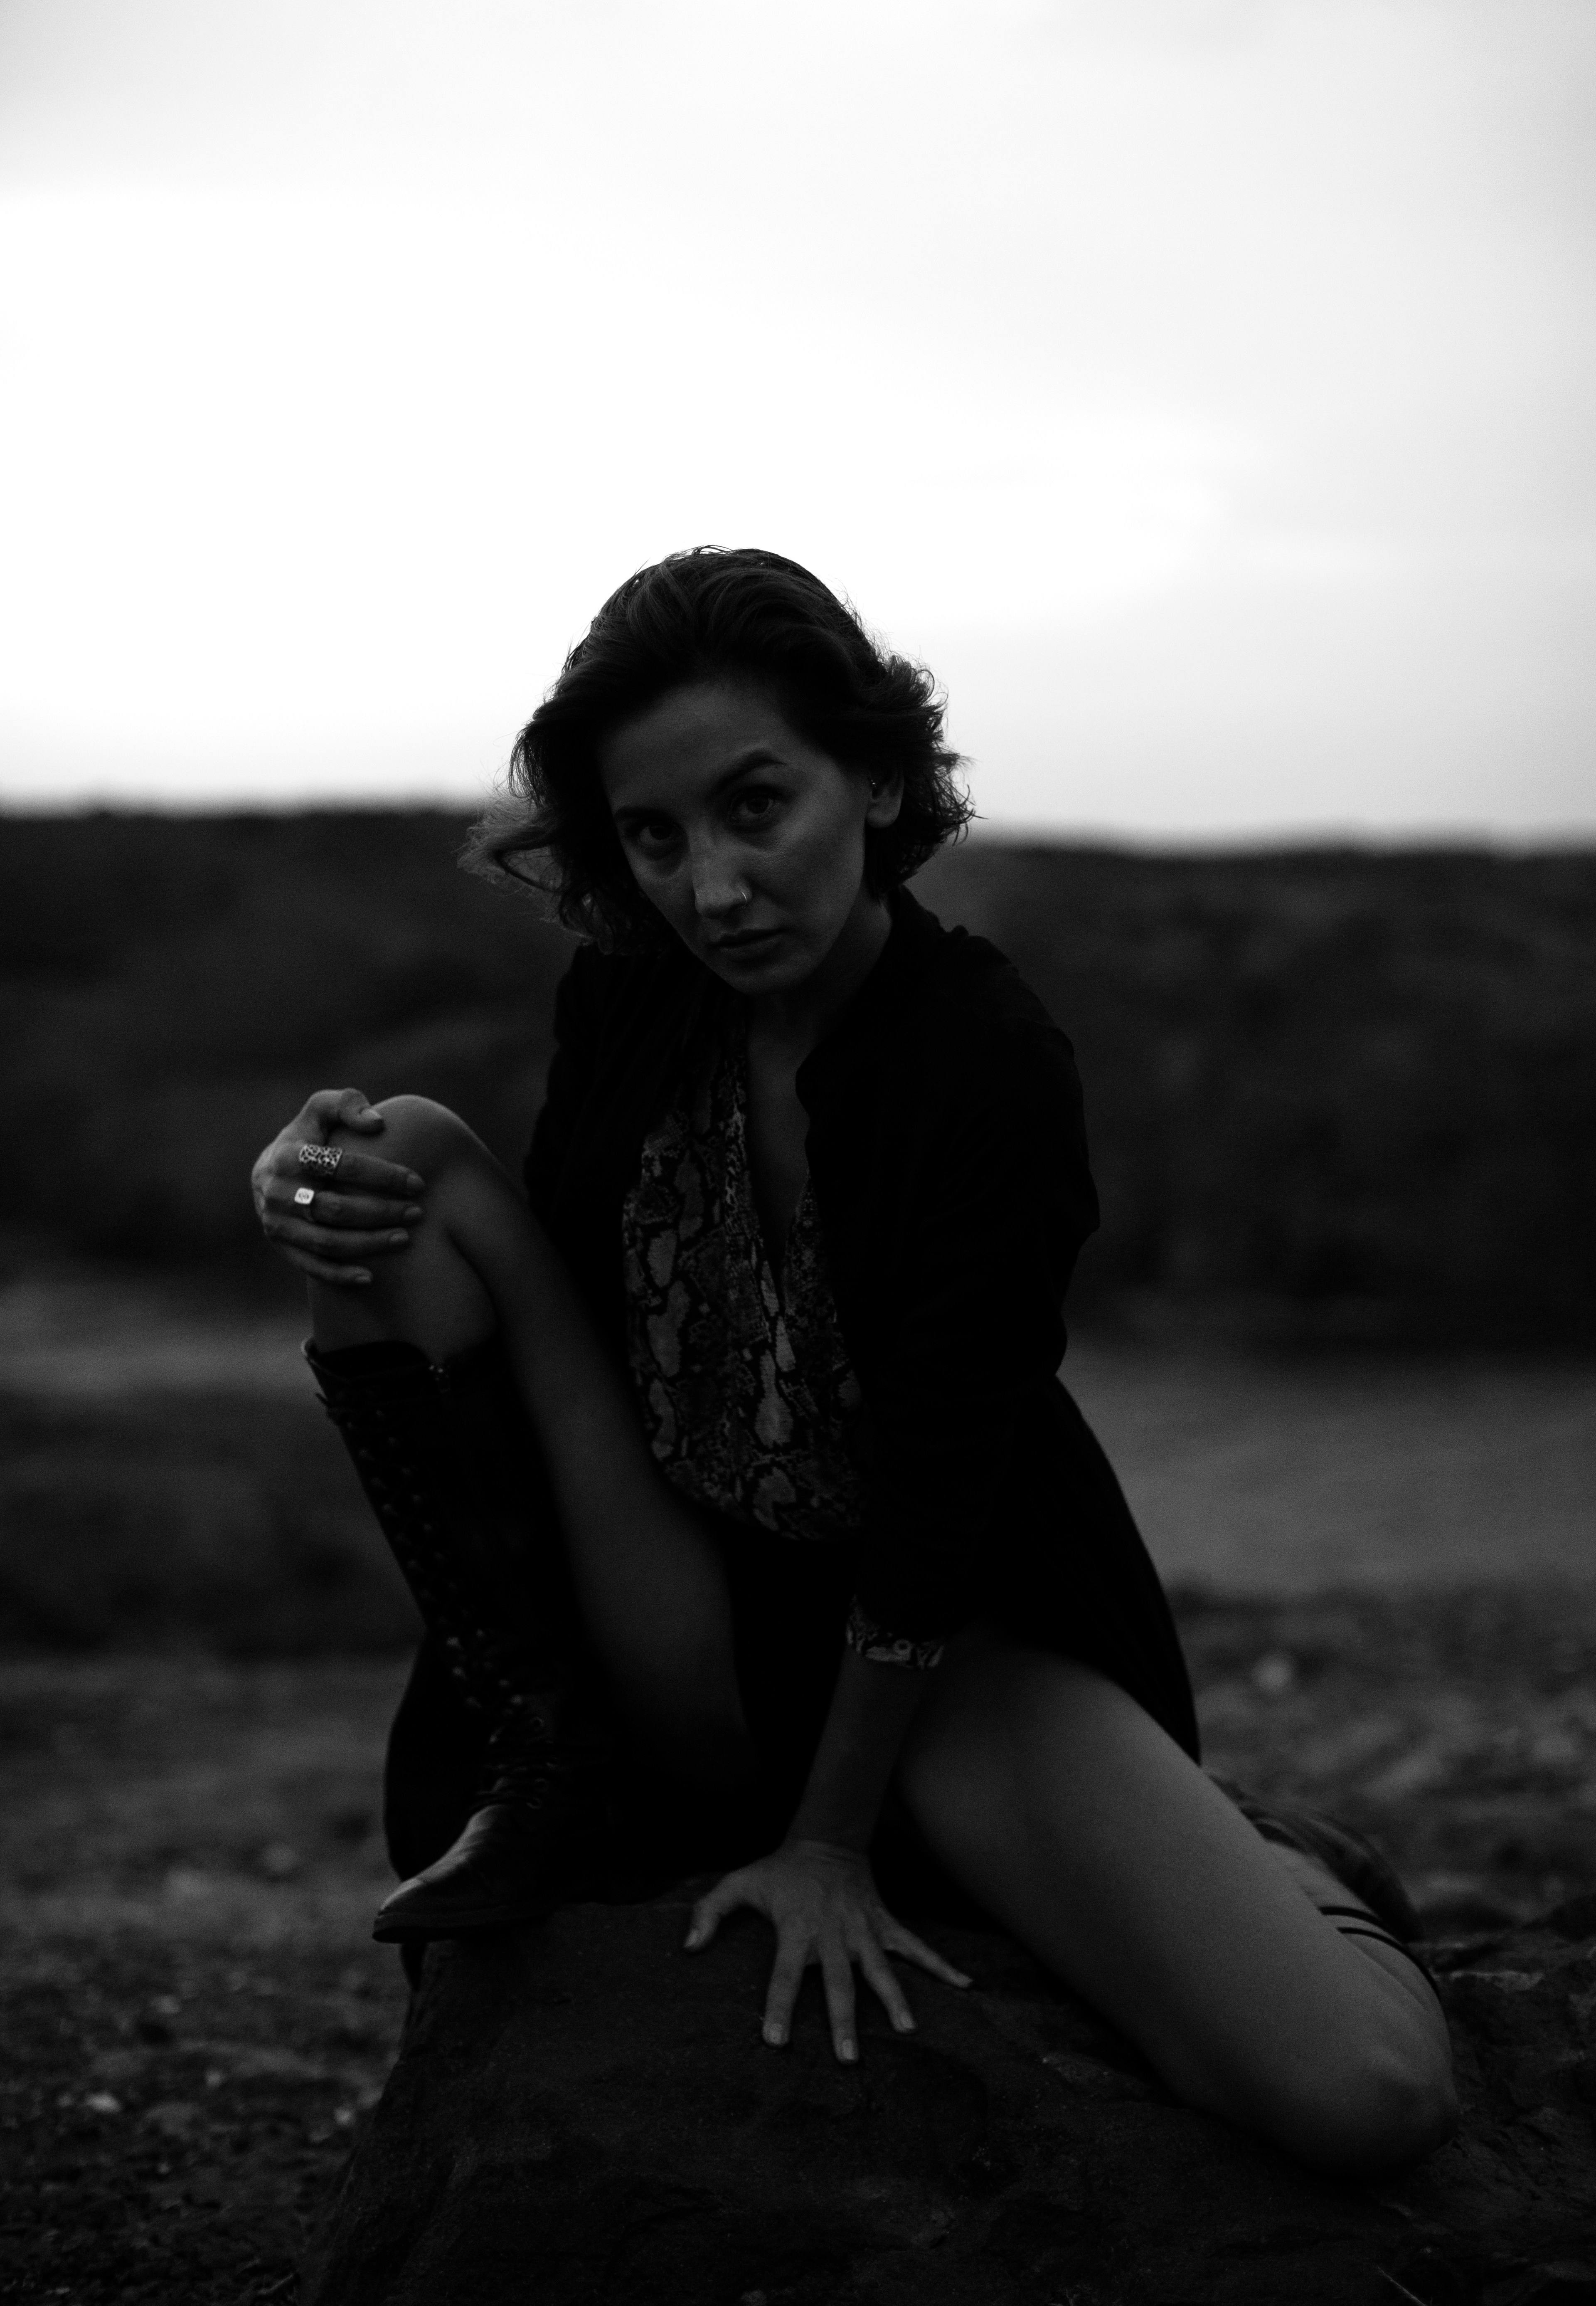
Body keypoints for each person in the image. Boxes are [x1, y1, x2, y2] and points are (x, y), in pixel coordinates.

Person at [250, 545, 1456, 2177]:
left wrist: (826, 1844)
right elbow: (554, 1317)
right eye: (654, 838)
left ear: (877, 777)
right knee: (387, 1162)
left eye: (759, 809)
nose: (712, 888)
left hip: (944, 1632)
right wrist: (307, 1190)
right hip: (677, 1579)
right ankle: (540, 1753)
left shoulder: (986, 1063)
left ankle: (1282, 1858)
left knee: (1358, 2094)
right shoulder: (631, 995)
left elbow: (950, 1486)